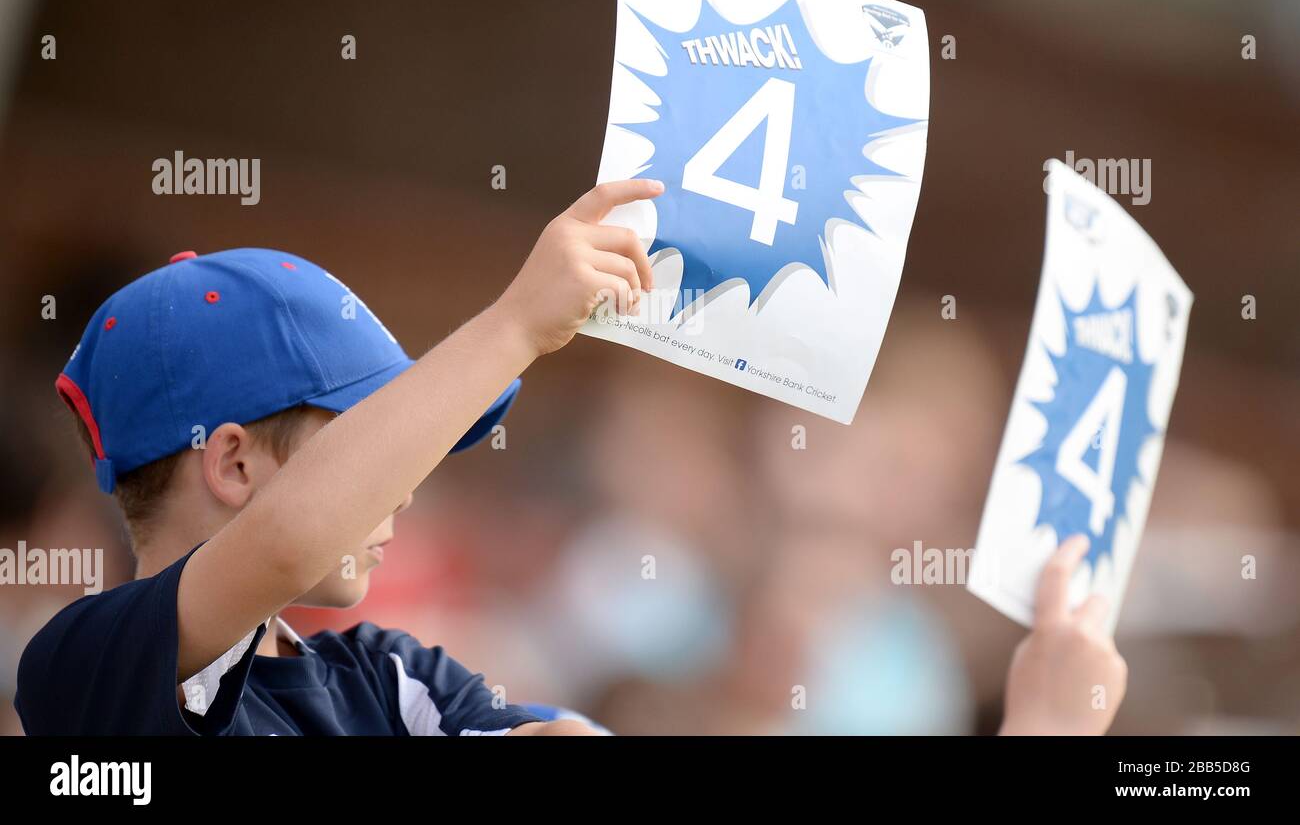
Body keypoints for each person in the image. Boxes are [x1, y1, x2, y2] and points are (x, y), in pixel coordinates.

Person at [15, 177, 1126, 736]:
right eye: (375, 440)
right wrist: (512, 325)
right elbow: (290, 539)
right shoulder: (85, 669)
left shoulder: (393, 680)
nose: (411, 482)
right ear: (235, 464)